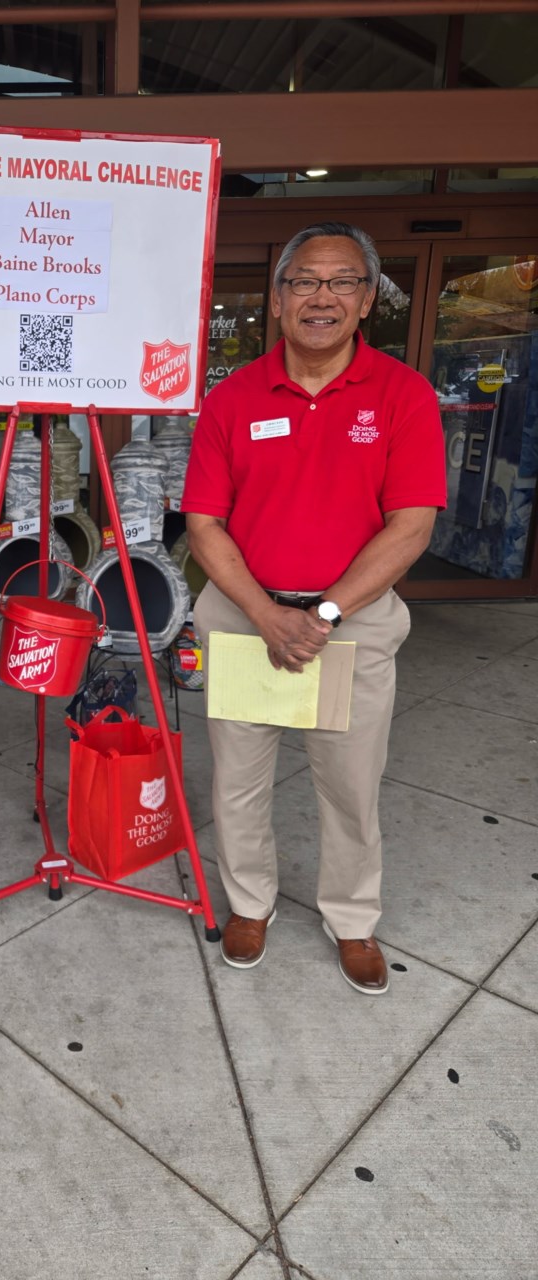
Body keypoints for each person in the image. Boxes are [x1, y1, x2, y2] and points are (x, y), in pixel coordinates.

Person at [183, 221, 446, 996]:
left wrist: (324, 616)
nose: (320, 296)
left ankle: (353, 919)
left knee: (351, 784)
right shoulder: (232, 399)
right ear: (277, 299)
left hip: (352, 625)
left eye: (341, 282)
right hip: (244, 618)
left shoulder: (403, 396)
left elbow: (413, 525)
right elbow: (204, 523)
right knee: (237, 782)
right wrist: (268, 615)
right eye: (303, 281)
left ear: (367, 301)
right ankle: (250, 905)